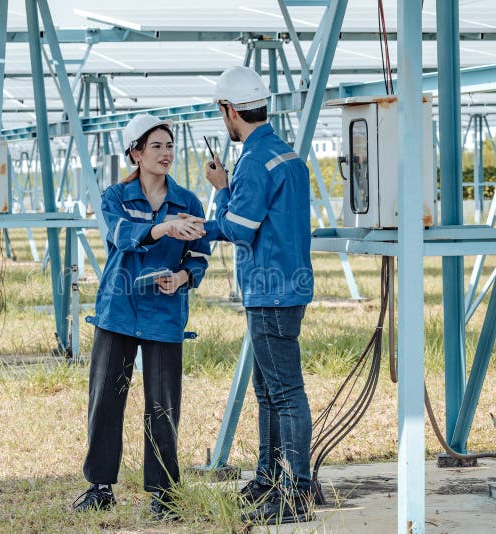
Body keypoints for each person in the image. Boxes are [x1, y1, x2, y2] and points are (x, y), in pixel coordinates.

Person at [73, 113, 210, 520]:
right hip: (118, 309)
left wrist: (184, 276)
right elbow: (120, 237)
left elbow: (200, 255)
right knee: (105, 399)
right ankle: (99, 487)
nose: (166, 153)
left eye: (170, 145)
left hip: (164, 313)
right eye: (157, 146)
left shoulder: (189, 203)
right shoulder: (115, 197)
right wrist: (162, 228)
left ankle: (164, 496)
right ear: (135, 153)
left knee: (163, 405)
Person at [202, 66, 315, 525]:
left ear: (231, 111)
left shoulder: (251, 161)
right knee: (268, 389)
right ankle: (270, 477)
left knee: (284, 392)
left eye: (221, 113)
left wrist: (218, 194)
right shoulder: (286, 154)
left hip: (269, 290)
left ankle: (296, 490)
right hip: (290, 284)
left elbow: (239, 229)